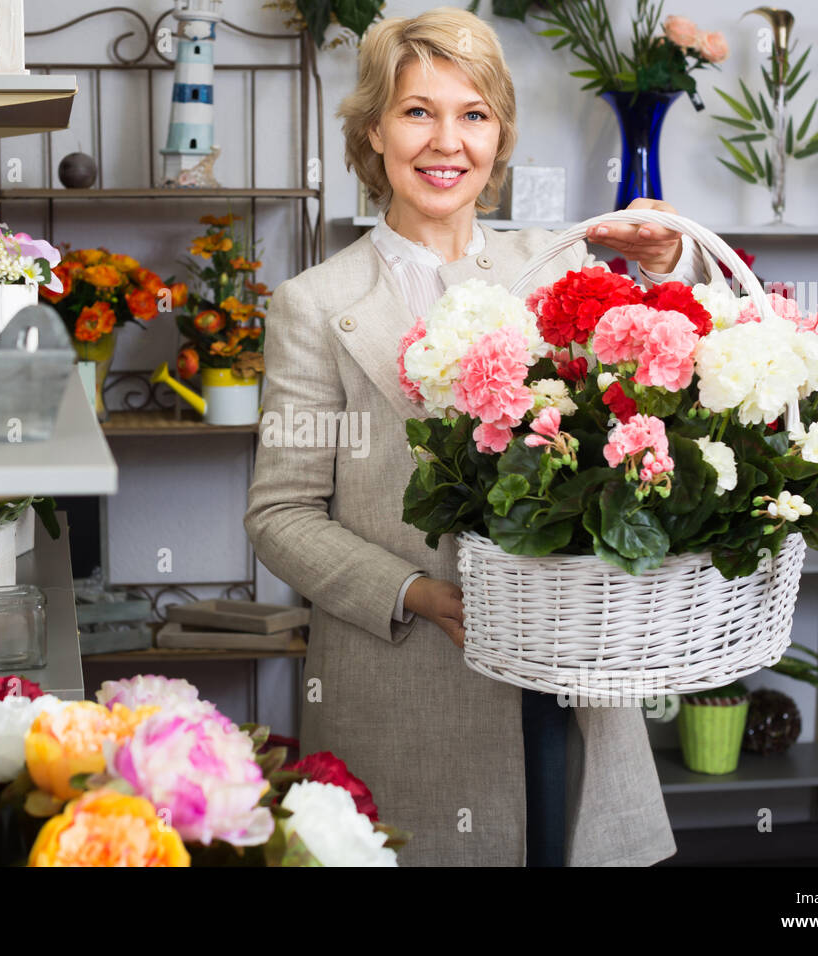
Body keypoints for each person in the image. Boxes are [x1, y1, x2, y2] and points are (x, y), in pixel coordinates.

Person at [243, 7, 708, 866]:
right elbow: (282, 514)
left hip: (568, 672)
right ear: (374, 129)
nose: (444, 142)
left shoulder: (557, 267)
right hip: (406, 681)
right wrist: (417, 594)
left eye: (474, 114)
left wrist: (667, 261)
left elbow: (695, 355)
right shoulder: (314, 303)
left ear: (499, 136)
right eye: (417, 111)